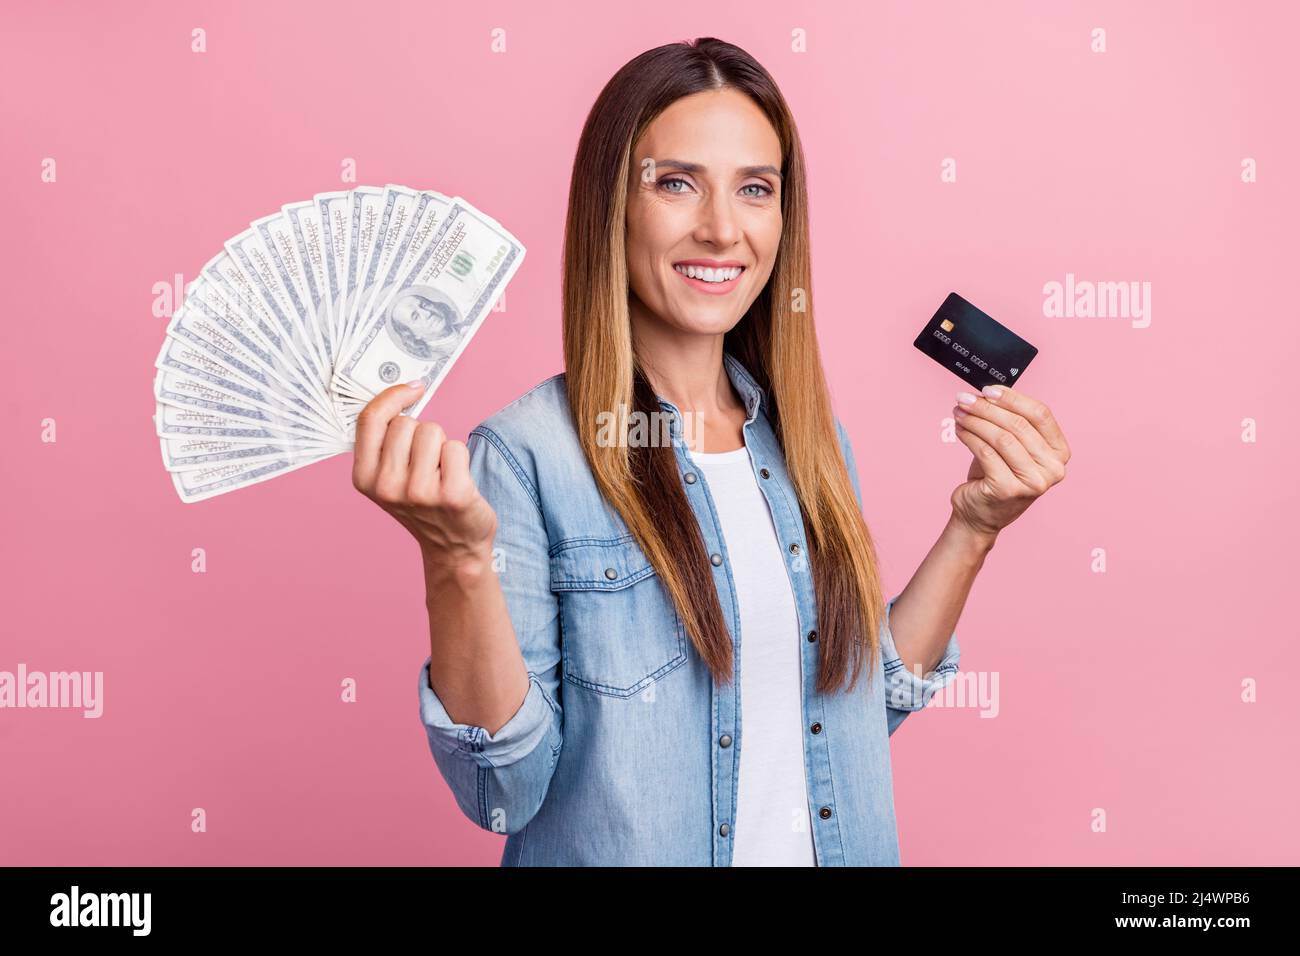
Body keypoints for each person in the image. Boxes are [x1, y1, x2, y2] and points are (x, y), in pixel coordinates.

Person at [351, 37, 1070, 866]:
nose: (722, 229)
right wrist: (457, 562)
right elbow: (502, 794)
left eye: (755, 189)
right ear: (611, 206)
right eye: (677, 182)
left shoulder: (809, 441)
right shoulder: (525, 457)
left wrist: (975, 528)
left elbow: (849, 712)